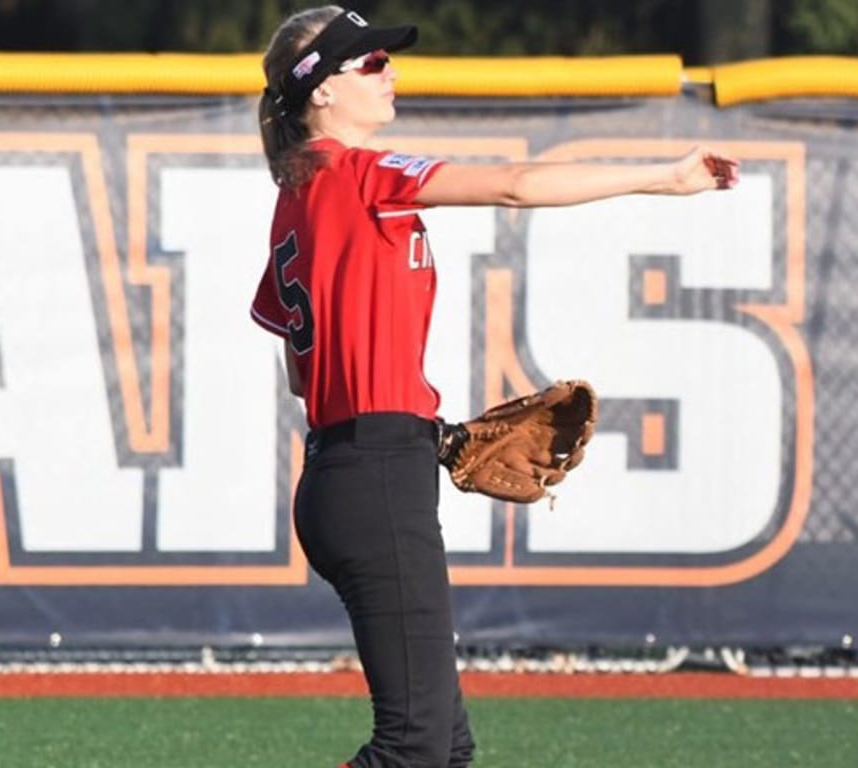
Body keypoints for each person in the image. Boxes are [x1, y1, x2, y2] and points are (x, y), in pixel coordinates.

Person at [249, 6, 738, 767]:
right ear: (320, 93)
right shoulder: (359, 175)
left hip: (359, 471)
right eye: (370, 63)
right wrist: (663, 178)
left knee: (444, 748)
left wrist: (427, 434)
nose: (391, 71)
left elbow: (303, 374)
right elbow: (513, 185)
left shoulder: (298, 200)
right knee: (412, 748)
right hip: (376, 482)